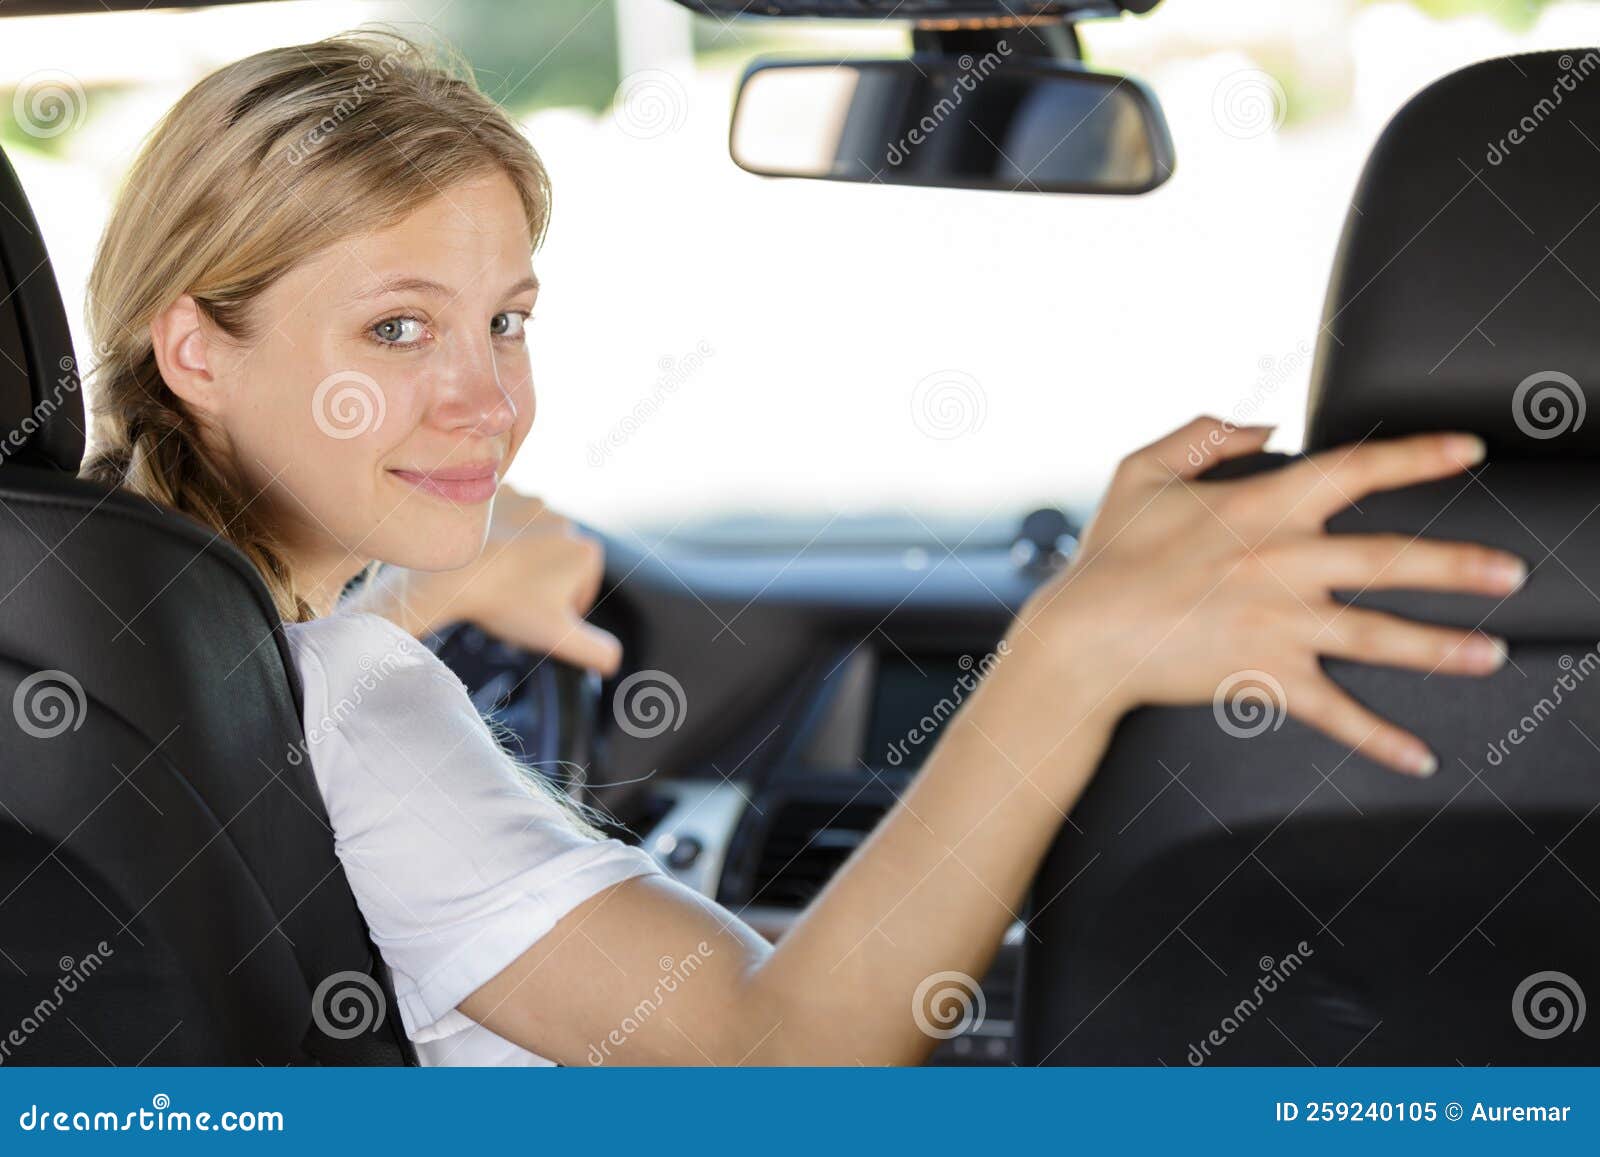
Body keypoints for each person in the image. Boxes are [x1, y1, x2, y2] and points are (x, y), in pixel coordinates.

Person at [80, 32, 1526, 1066]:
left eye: (507, 319)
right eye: (398, 328)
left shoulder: (126, 656)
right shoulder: (352, 702)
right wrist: (1072, 647)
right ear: (199, 346)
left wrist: (421, 590)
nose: (488, 398)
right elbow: (783, 1066)